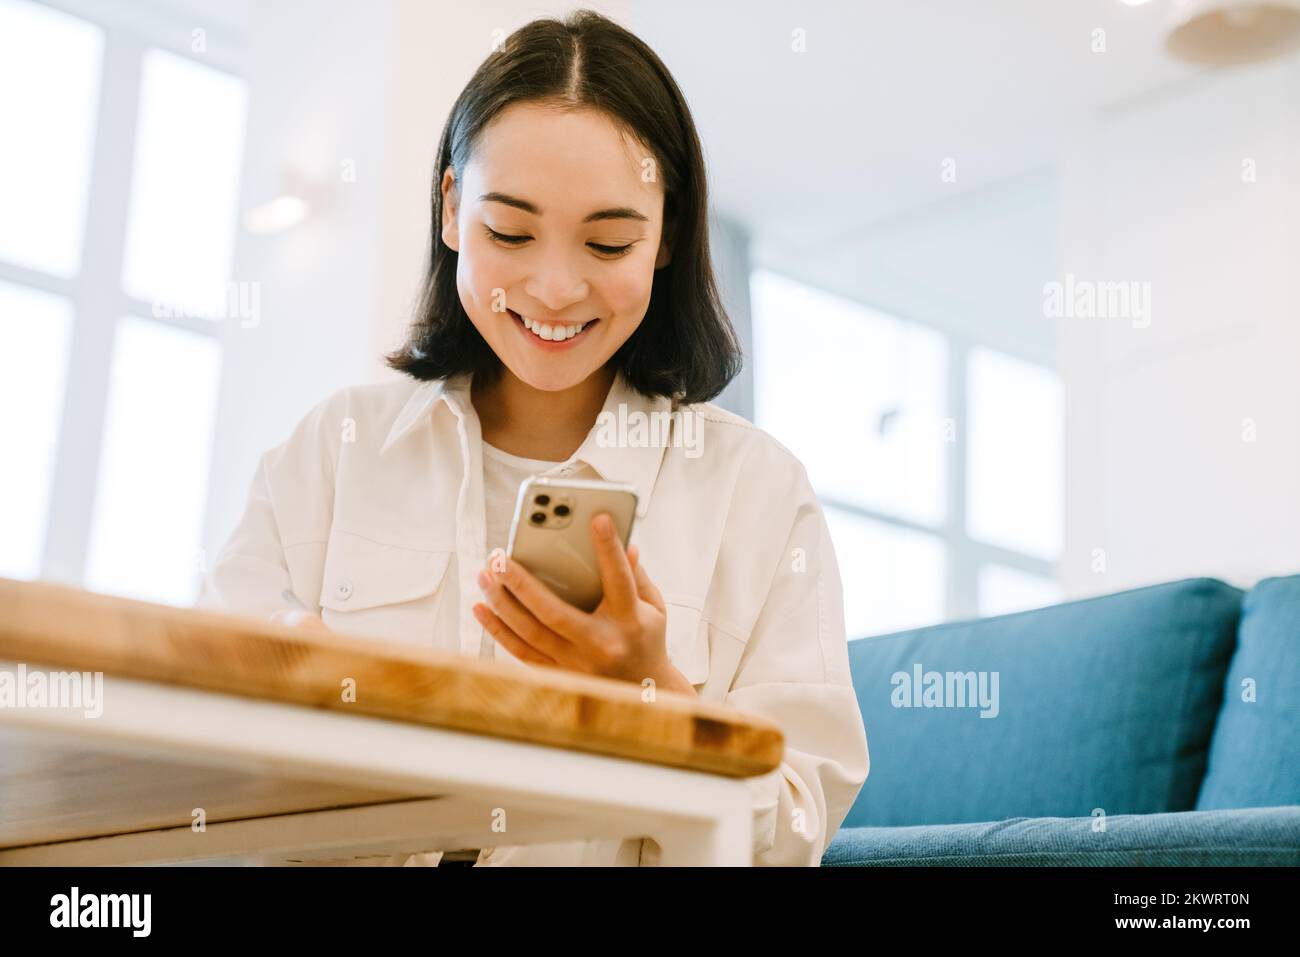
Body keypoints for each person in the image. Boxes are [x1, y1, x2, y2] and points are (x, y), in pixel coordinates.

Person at [197, 9, 869, 867]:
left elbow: (798, 829)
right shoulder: (334, 452)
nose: (555, 287)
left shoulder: (758, 494)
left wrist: (653, 700)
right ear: (450, 209)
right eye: (509, 232)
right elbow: (196, 764)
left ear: (664, 236)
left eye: (609, 240)